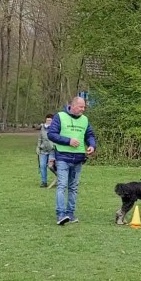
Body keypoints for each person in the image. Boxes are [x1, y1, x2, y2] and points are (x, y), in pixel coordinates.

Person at [47, 96, 97, 225]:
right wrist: (68, 141)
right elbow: (51, 134)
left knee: (73, 187)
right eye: (81, 107)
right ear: (73, 105)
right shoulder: (60, 116)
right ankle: (61, 215)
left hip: (78, 158)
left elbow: (90, 135)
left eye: (84, 107)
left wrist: (91, 145)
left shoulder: (85, 120)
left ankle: (70, 214)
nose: (83, 109)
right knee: (62, 186)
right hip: (63, 157)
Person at [37, 114, 56, 187]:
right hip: (43, 150)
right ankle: (44, 182)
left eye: (50, 120)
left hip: (52, 150)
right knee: (42, 166)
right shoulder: (42, 128)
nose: (49, 121)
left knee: (50, 166)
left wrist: (54, 145)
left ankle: (59, 177)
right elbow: (39, 139)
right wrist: (38, 147)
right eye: (47, 120)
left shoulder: (55, 128)